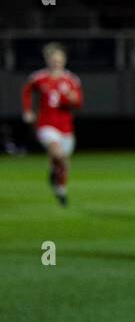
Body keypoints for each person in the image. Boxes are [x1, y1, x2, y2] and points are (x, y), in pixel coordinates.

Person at [21, 42, 82, 206]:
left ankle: (60, 188)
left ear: (64, 60)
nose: (56, 62)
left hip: (66, 126)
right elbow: (27, 92)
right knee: (57, 153)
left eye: (59, 59)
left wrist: (72, 100)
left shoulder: (71, 79)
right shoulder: (39, 78)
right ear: (47, 60)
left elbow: (79, 102)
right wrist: (27, 110)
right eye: (53, 59)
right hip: (46, 124)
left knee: (64, 163)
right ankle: (55, 174)